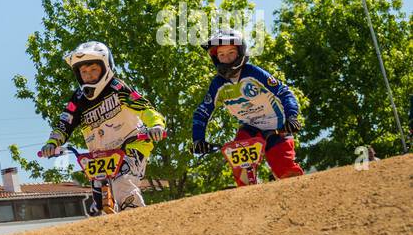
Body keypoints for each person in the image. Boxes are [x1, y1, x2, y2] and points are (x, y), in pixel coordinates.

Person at [39, 41, 166, 211]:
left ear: (105, 67)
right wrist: (53, 142)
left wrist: (156, 125)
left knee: (122, 185)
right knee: (101, 203)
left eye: (93, 69)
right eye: (84, 72)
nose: (89, 75)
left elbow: (144, 108)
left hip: (132, 145)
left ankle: (140, 224)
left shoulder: (118, 88)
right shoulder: (77, 99)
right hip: (101, 158)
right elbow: (64, 124)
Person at [190, 29, 304, 185]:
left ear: (240, 51)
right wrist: (198, 140)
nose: (227, 58)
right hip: (249, 128)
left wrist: (292, 117)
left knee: (285, 170)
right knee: (241, 171)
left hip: (278, 126)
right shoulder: (218, 84)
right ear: (215, 58)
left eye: (231, 52)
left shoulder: (253, 73)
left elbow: (284, 92)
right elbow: (202, 113)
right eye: (221, 55)